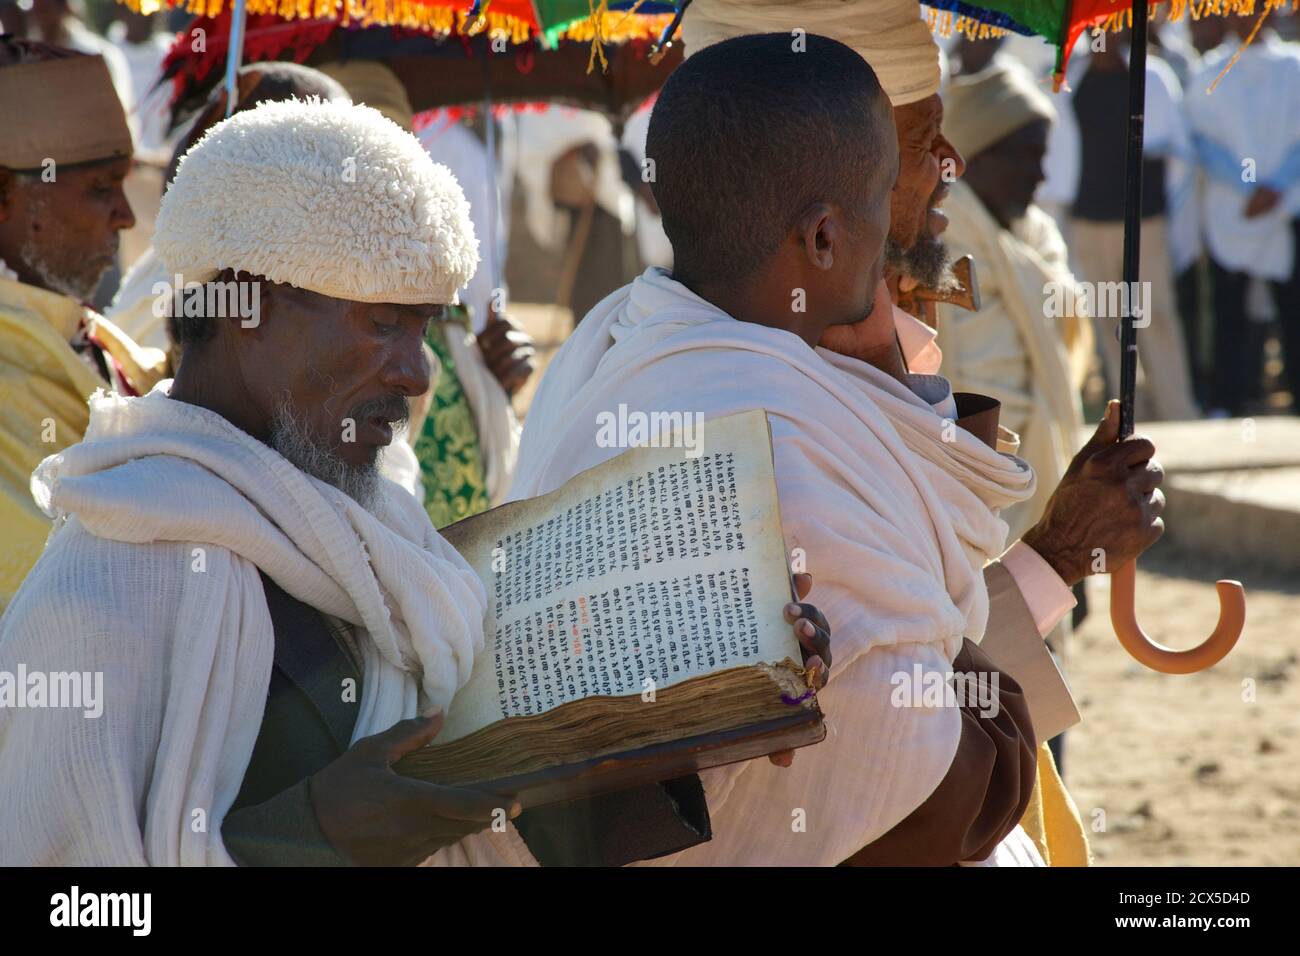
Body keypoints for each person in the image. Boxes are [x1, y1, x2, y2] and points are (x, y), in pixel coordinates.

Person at [0, 98, 829, 865]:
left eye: (426, 328)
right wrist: (311, 836)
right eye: (384, 323)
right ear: (247, 305)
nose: (417, 374)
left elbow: (498, 815)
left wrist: (711, 706)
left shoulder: (392, 546)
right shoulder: (98, 594)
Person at [510, 33, 1075, 866]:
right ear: (819, 241)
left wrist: (888, 381)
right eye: (889, 189)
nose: (903, 217)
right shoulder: (784, 452)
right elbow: (946, 795)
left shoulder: (609, 344)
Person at [0, 37, 165, 611]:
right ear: (5, 197)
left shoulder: (80, 331)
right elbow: (61, 600)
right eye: (100, 188)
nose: (125, 215)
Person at [934, 61, 1093, 546]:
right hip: (967, 470)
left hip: (1043, 459)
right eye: (1027, 157)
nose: (1041, 175)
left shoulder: (1037, 236)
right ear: (975, 158)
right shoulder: (940, 236)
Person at [1186, 13, 1300, 415]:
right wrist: (1246, 187)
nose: (1247, 12)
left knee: (1293, 310)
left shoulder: (1294, 66)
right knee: (1228, 312)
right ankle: (1228, 402)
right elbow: (1202, 138)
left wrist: (1277, 187)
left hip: (1286, 210)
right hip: (1230, 213)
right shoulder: (1209, 72)